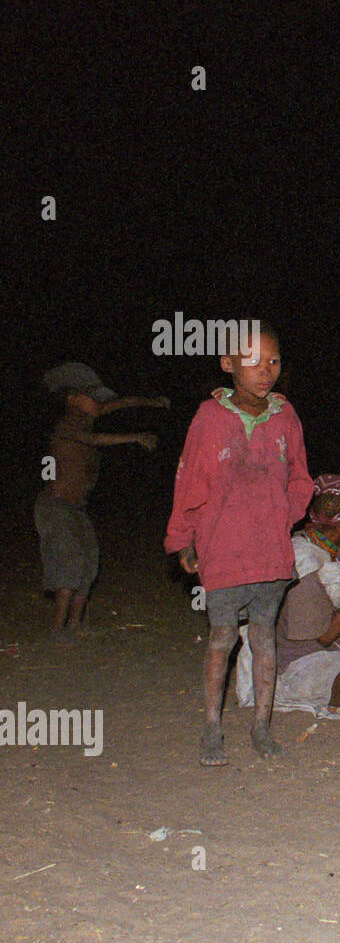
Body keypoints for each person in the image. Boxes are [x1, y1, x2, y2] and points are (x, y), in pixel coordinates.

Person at [164, 325, 312, 765]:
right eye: (252, 360)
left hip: (270, 551)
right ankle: (212, 727)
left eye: (273, 360)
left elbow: (301, 478)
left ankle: (261, 728)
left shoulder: (286, 416)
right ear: (227, 365)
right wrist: (182, 539)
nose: (264, 370)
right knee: (222, 637)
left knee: (264, 637)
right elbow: (189, 480)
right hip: (223, 549)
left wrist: (279, 517)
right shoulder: (209, 418)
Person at [37, 363, 166, 634]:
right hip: (55, 505)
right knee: (68, 562)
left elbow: (119, 404)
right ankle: (57, 629)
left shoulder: (85, 418)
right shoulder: (65, 428)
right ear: (72, 398)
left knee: (88, 561)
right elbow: (94, 440)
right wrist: (134, 437)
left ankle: (75, 625)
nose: (99, 403)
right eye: (92, 397)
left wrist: (151, 401)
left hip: (74, 507)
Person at [268, 475, 340, 718]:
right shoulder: (302, 562)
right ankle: (332, 691)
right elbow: (325, 637)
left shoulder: (338, 549)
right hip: (302, 664)